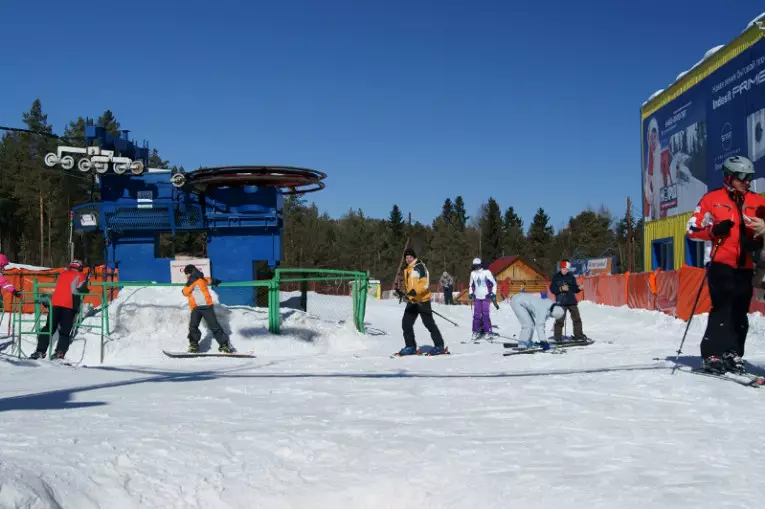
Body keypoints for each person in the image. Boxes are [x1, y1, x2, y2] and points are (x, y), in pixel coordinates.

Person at [687, 155, 765, 374]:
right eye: (742, 177)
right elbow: (691, 231)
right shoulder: (711, 199)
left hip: (746, 266)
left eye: (750, 177)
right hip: (721, 262)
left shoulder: (758, 201)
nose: (747, 181)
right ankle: (712, 353)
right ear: (729, 176)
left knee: (740, 311)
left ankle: (733, 352)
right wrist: (713, 231)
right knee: (722, 307)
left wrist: (756, 242)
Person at [30, 259, 89, 360]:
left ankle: (40, 351)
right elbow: (81, 288)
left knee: (49, 328)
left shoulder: (62, 273)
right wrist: (86, 287)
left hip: (55, 303)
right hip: (68, 304)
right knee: (65, 330)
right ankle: (60, 352)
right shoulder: (80, 275)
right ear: (80, 267)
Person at [394, 248, 447, 355]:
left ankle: (439, 346)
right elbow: (411, 286)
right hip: (412, 301)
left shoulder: (420, 267)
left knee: (429, 324)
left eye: (410, 257)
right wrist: (403, 293)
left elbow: (424, 284)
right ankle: (410, 346)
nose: (408, 259)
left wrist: (414, 292)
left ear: (414, 257)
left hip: (423, 300)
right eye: (406, 258)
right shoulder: (407, 269)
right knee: (406, 324)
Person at [182, 264, 234, 353]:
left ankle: (224, 345)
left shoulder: (195, 280)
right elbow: (209, 280)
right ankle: (194, 345)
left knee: (210, 326)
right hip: (197, 308)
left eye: (186, 273)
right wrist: (215, 281)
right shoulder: (200, 279)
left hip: (204, 307)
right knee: (196, 326)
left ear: (190, 273)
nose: (186, 276)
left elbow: (185, 292)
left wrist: (215, 281)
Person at [549, 260, 586, 342]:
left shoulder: (571, 276)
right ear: (561, 268)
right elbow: (552, 289)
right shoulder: (556, 277)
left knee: (577, 319)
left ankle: (578, 336)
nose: (565, 271)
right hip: (561, 301)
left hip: (571, 301)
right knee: (559, 320)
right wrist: (560, 289)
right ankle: (557, 338)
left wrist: (578, 288)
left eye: (566, 269)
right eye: (563, 269)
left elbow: (574, 289)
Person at [468, 257, 497, 340]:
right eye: (474, 266)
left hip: (486, 296)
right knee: (476, 316)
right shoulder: (473, 273)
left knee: (485, 315)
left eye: (477, 266)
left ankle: (488, 332)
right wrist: (470, 293)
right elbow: (470, 284)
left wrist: (493, 294)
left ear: (480, 265)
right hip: (477, 297)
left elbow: (494, 283)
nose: (476, 267)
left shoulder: (487, 272)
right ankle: (475, 332)